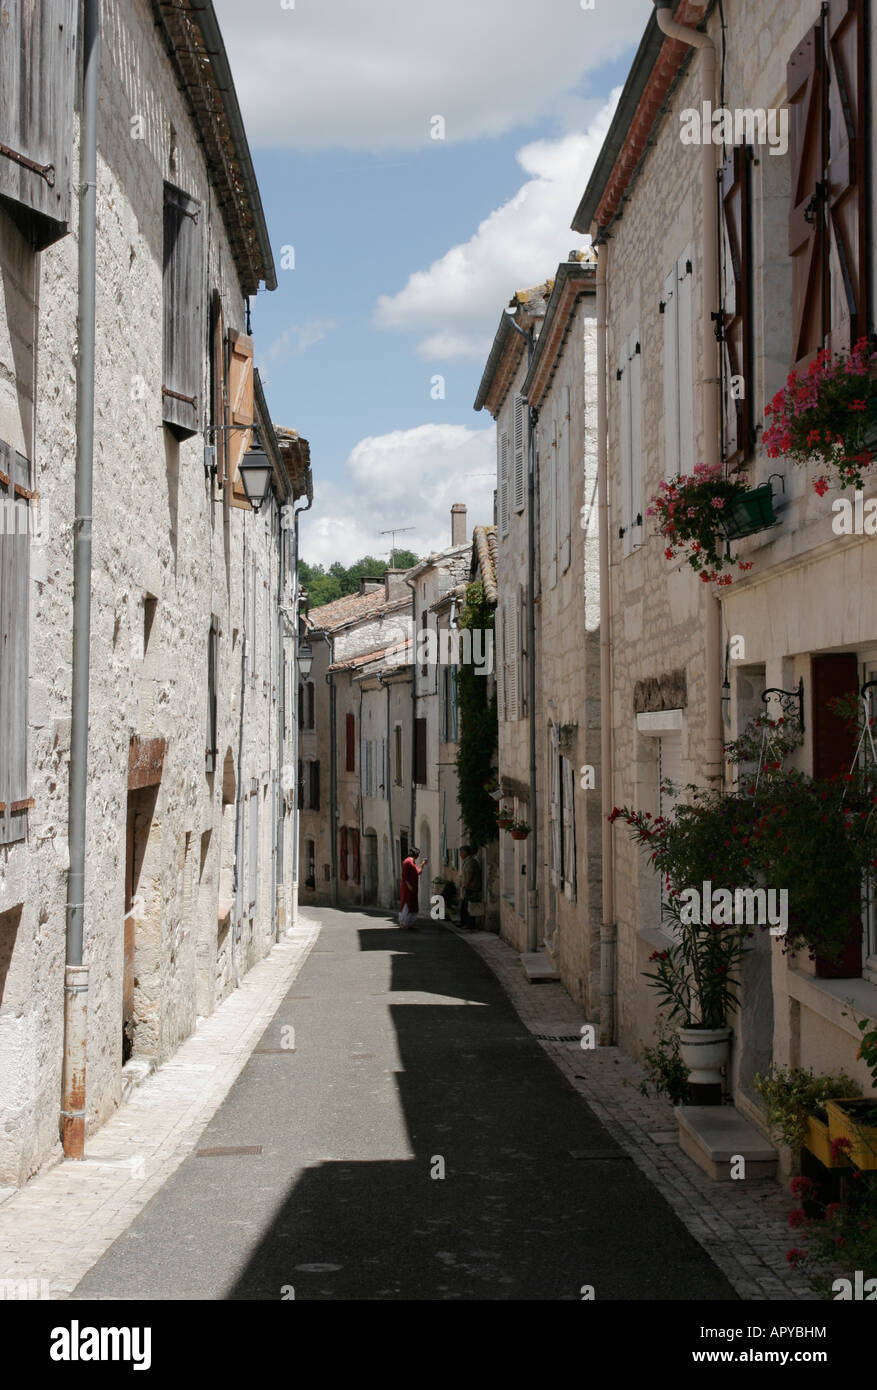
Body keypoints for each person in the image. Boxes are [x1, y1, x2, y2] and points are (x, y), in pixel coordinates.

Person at [399, 846, 427, 928]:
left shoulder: (413, 862)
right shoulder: (407, 862)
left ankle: (409, 923)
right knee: (406, 904)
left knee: (413, 904)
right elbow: (404, 876)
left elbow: (417, 872)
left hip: (413, 888)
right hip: (408, 888)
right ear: (416, 855)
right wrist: (409, 886)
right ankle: (402, 922)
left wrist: (422, 864)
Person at [459, 845, 482, 929]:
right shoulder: (467, 861)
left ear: (465, 852)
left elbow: (469, 875)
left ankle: (469, 924)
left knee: (468, 908)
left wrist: (466, 886)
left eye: (461, 852)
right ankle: (464, 923)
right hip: (469, 888)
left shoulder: (470, 862)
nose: (460, 855)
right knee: (465, 907)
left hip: (471, 888)